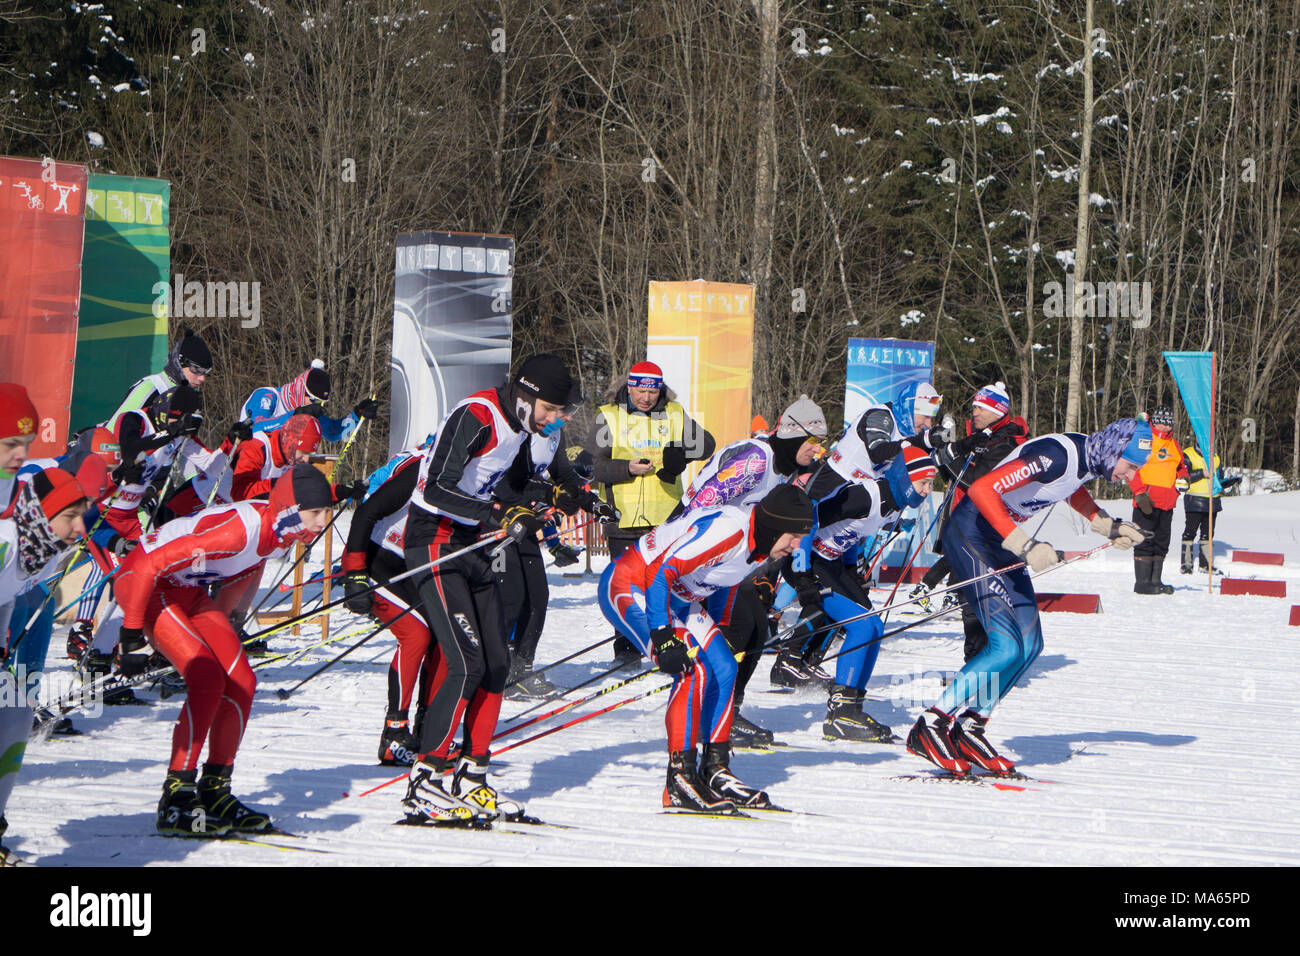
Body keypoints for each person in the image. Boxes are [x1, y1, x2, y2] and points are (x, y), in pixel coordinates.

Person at [906, 419, 1151, 776]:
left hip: (1002, 542)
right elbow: (982, 490)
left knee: (1031, 643)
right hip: (972, 535)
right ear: (1114, 450)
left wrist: (1105, 525)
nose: (1130, 476)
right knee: (1005, 647)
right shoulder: (1055, 454)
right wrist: (1025, 544)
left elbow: (1068, 488)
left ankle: (971, 727)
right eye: (1130, 466)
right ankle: (931, 724)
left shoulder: (1086, 458)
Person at [400, 353, 578, 826]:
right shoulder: (477, 414)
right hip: (433, 538)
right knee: (466, 661)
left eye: (560, 413)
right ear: (526, 395)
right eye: (551, 409)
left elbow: (507, 489)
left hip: (471, 541)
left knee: (498, 660)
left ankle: (472, 776)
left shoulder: (521, 429)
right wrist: (499, 515)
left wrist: (560, 497)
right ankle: (425, 778)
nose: (554, 420)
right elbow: (436, 486)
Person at [113, 464, 334, 836]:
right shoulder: (240, 529)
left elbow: (238, 576)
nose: (322, 522)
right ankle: (177, 796)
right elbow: (149, 561)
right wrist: (132, 634)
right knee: (206, 678)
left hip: (187, 591)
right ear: (293, 508)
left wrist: (230, 624)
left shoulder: (275, 535)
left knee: (243, 681)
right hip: (145, 584)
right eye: (316, 513)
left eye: (326, 513)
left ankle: (215, 789)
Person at [599, 484, 815, 812]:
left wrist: (722, 633)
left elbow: (723, 584)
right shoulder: (730, 531)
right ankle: (679, 779)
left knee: (725, 666)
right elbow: (661, 570)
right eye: (794, 535)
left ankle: (715, 769)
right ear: (775, 525)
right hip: (632, 583)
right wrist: (661, 634)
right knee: (692, 670)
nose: (796, 545)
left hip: (679, 597)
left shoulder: (760, 544)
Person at [674, 394, 828, 745]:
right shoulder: (756, 459)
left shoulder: (782, 469)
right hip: (700, 553)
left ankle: (728, 710)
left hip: (730, 557)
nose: (817, 452)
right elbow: (701, 506)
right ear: (793, 433)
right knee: (741, 626)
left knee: (758, 629)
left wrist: (765, 572)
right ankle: (711, 713)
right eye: (814, 443)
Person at [790, 447, 937, 743]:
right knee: (859, 625)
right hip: (807, 560)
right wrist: (802, 573)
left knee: (874, 626)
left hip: (832, 563)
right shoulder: (865, 495)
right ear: (907, 478)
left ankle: (852, 706)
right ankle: (839, 712)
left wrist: (851, 571)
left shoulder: (894, 504)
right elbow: (806, 520)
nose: (926, 491)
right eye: (923, 483)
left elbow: (853, 533)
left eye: (930, 485)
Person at [589, 361, 715, 665]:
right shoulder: (608, 416)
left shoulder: (673, 413)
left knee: (665, 583)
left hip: (666, 518)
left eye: (652, 390)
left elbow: (707, 444)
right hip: (623, 517)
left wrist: (680, 456)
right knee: (627, 587)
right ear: (628, 387)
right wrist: (627, 468)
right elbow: (593, 467)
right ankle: (627, 649)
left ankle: (672, 642)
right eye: (641, 390)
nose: (646, 397)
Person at [1, 467, 90, 864]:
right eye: (70, 517)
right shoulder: (6, 543)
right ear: (42, 513)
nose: (79, 528)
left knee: (17, 713)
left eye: (82, 516)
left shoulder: (44, 551)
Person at [909, 381, 1028, 661]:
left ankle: (985, 660)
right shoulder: (985, 434)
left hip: (986, 525)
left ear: (996, 410)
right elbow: (961, 473)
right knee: (969, 594)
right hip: (968, 520)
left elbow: (978, 482)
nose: (973, 412)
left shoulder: (1007, 441)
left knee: (978, 595)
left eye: (979, 407)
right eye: (973, 406)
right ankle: (978, 660)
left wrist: (945, 459)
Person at [240, 359, 380, 442]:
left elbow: (332, 432)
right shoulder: (268, 396)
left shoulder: (308, 410)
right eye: (314, 400)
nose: (316, 406)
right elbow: (254, 429)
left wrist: (356, 415)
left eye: (321, 403)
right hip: (248, 473)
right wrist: (295, 415)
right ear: (301, 391)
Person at [1129, 406, 1188, 595]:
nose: (1164, 427)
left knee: (1162, 541)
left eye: (1167, 423)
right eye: (1161, 422)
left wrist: (1184, 478)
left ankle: (1155, 581)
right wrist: (1139, 492)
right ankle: (1143, 582)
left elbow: (1181, 467)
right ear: (1154, 422)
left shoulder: (1174, 444)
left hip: (1167, 502)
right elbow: (1131, 467)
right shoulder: (1145, 439)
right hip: (1146, 501)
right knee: (1144, 539)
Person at [103, 328, 212, 430]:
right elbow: (112, 434)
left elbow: (185, 445)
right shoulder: (150, 388)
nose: (202, 378)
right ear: (178, 363)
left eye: (206, 373)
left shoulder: (189, 398)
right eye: (196, 370)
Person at [1177, 438, 1239, 573]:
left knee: (1208, 534)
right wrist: (1201, 473)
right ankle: (1186, 565)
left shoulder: (1215, 457)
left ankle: (1205, 565)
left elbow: (1219, 478)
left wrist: (1228, 482)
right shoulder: (1188, 454)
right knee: (1190, 533)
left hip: (1212, 501)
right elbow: (1183, 476)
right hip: (1195, 501)